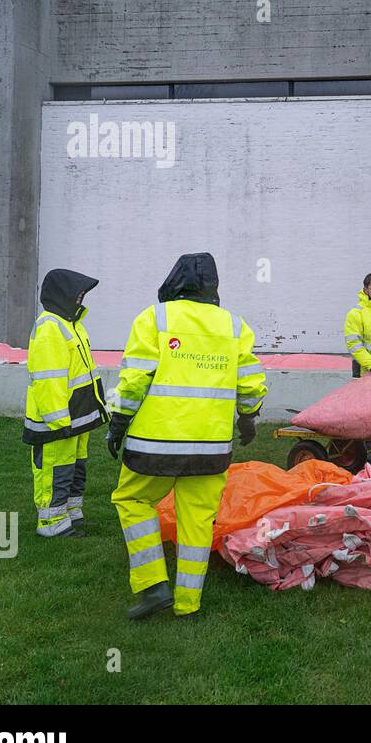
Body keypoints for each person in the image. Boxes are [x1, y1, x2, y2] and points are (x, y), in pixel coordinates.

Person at [107, 253, 267, 620]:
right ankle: (187, 604)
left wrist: (118, 423)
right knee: (197, 521)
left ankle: (153, 586)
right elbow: (251, 384)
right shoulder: (234, 326)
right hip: (210, 446)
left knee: (132, 500)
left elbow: (134, 380)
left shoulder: (155, 318)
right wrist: (247, 420)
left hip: (154, 444)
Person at [23, 269, 109, 538]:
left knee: (73, 465)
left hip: (75, 417)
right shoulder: (51, 326)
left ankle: (70, 513)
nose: (81, 300)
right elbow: (48, 379)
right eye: (78, 295)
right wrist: (58, 421)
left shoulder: (70, 323)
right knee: (54, 468)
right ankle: (51, 522)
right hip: (59, 420)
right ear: (64, 296)